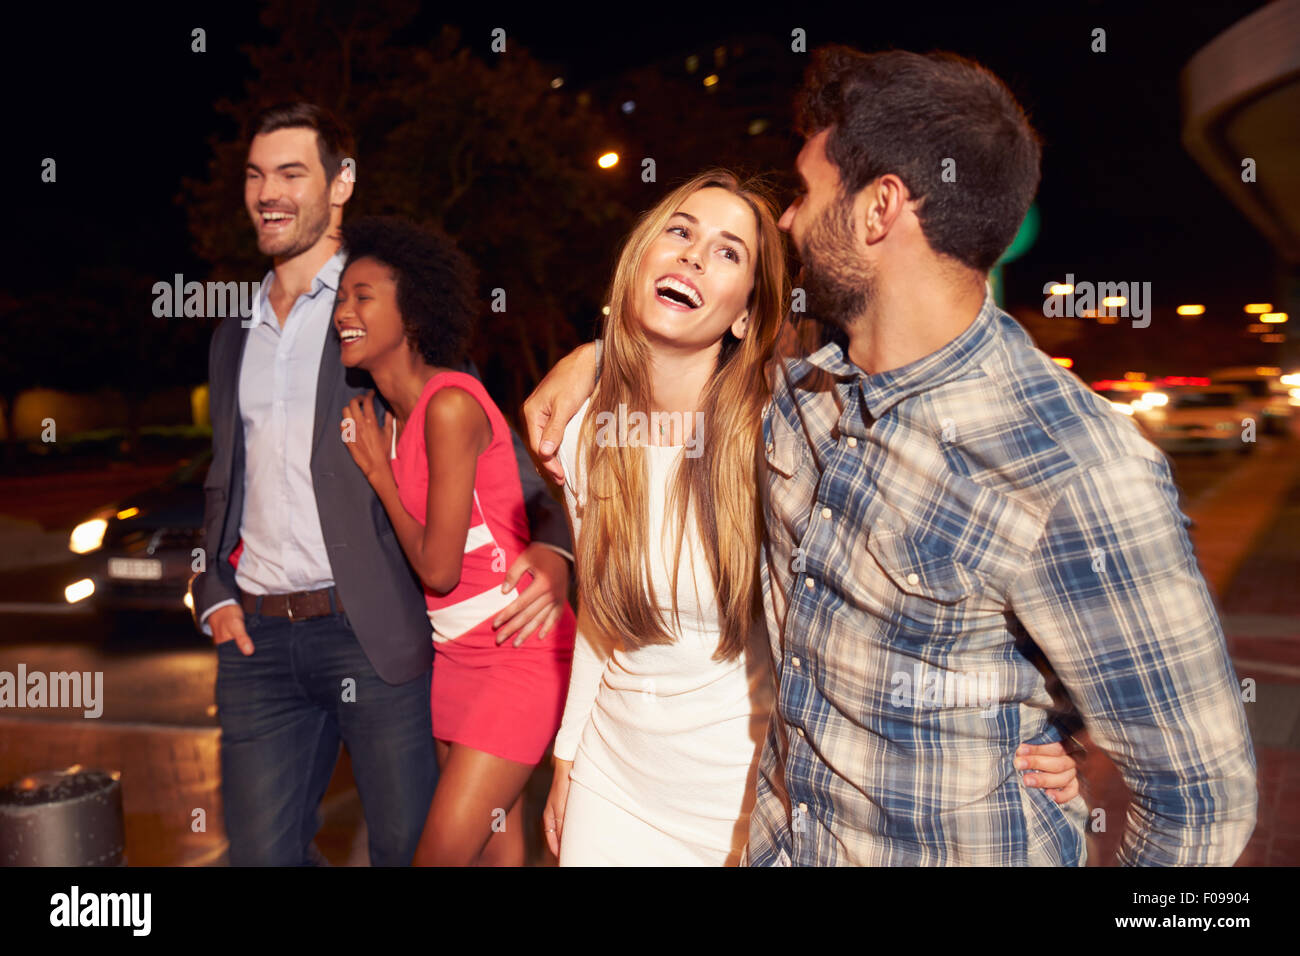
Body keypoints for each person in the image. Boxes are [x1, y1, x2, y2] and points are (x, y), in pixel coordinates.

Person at [527, 46, 1257, 867]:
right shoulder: (805, 403)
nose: (792, 223)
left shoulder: (1073, 466)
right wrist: (594, 358)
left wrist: (1069, 731)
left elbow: (1200, 797)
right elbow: (678, 375)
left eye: (805, 193)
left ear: (877, 211)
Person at [538, 171, 1080, 866]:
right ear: (640, 258)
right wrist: (568, 757)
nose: (693, 256)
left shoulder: (786, 436)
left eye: (728, 252)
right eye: (679, 232)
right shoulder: (585, 433)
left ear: (744, 314)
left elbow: (974, 559)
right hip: (611, 787)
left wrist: (1058, 723)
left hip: (752, 807)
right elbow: (600, 625)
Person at [190, 103, 573, 867]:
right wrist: (213, 587)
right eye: (256, 174)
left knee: (410, 849)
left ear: (341, 184)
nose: (268, 192)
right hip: (259, 639)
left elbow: (514, 472)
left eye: (292, 173)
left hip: (373, 633)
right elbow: (223, 478)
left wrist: (558, 555)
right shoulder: (233, 335)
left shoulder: (379, 311)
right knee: (260, 857)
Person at [335, 216, 576, 866]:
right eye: (340, 297)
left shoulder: (448, 406)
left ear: (412, 309)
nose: (343, 312)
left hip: (516, 653)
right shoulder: (402, 418)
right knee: (496, 855)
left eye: (363, 296)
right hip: (456, 660)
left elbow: (439, 568)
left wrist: (382, 477)